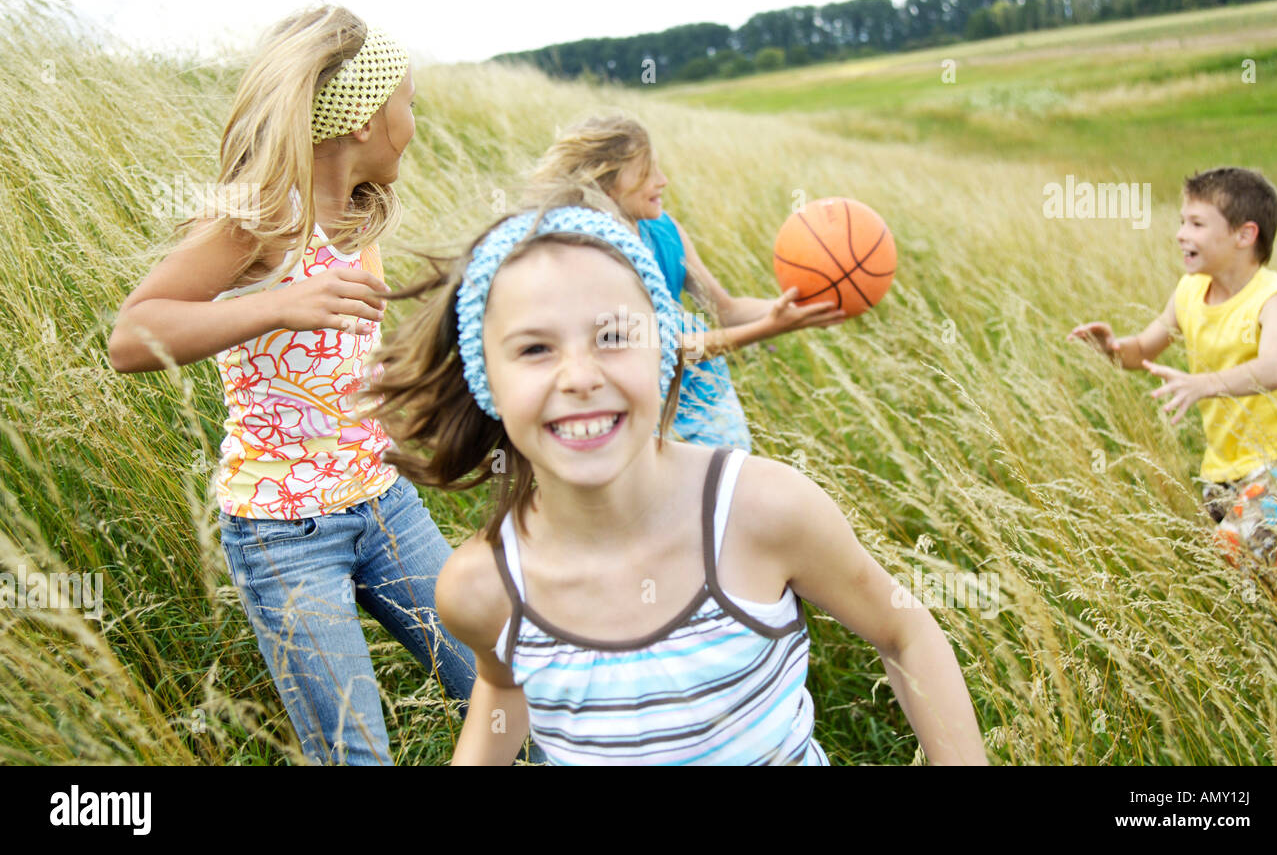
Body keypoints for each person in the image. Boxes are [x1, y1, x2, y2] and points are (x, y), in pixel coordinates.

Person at [362, 204, 987, 765]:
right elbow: (502, 691)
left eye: (613, 337)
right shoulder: (483, 587)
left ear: (665, 348)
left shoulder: (763, 511)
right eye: (534, 349)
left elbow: (903, 629)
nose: (579, 375)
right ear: (485, 378)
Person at [108, 5, 476, 764]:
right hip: (285, 533)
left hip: (383, 502)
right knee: (356, 755)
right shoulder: (259, 218)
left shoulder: (358, 220)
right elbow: (130, 337)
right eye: (408, 103)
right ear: (364, 121)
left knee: (503, 688)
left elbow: (339, 371)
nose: (415, 121)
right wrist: (276, 303)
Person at [522, 113, 846, 451]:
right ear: (605, 181)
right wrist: (769, 329)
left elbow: (726, 310)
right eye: (648, 172)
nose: (662, 181)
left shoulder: (666, 230)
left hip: (709, 406)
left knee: (725, 502)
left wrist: (804, 306)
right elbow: (661, 350)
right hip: (636, 421)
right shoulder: (588, 258)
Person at [1069, 167, 1277, 597]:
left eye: (1196, 223)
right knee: (1234, 582)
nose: (1180, 234)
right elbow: (1144, 350)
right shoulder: (1190, 292)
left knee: (1235, 546)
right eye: (1181, 222)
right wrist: (1112, 350)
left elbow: (1274, 369)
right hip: (1222, 469)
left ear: (1244, 235)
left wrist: (1204, 383)